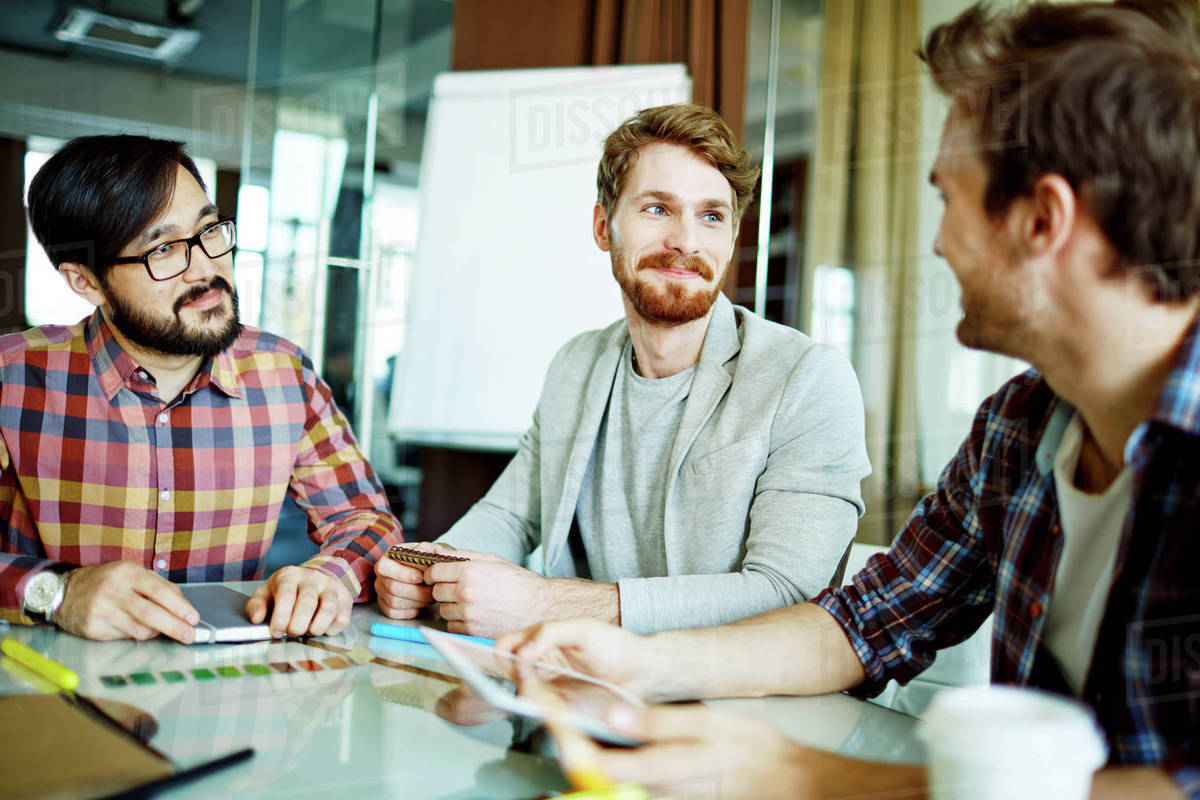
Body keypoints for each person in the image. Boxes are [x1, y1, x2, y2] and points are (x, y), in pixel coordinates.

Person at [496, 2, 1200, 798]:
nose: (935, 241)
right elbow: (864, 624)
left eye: (947, 198)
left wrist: (806, 776)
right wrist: (643, 660)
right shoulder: (1018, 429)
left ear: (1042, 220)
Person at [375, 104, 870, 638]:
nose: (686, 240)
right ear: (603, 226)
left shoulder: (808, 379)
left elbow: (788, 594)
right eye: (657, 209)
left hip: (733, 707)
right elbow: (513, 516)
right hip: (583, 694)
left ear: (730, 238)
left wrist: (548, 603)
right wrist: (433, 567)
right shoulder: (576, 364)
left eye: (711, 216)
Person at [1, 135, 404, 642]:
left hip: (229, 694)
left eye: (209, 230)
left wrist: (328, 578)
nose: (206, 269)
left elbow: (366, 519)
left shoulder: (283, 374)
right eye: (164, 249)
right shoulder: (12, 378)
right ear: (87, 282)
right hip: (50, 694)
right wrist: (56, 592)